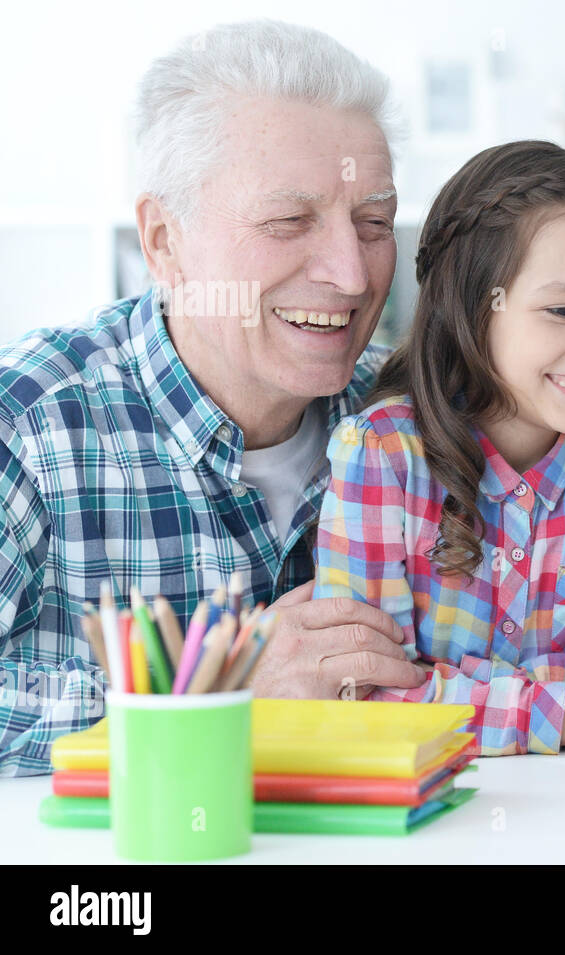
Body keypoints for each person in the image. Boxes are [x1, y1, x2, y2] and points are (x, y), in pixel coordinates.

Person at [0, 20, 425, 776]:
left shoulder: (416, 419)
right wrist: (211, 699)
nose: (352, 276)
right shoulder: (28, 424)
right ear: (164, 242)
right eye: (289, 221)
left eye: (373, 223)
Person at [313, 140, 565, 756]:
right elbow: (360, 699)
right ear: (472, 308)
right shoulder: (382, 456)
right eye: (562, 310)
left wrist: (441, 692)